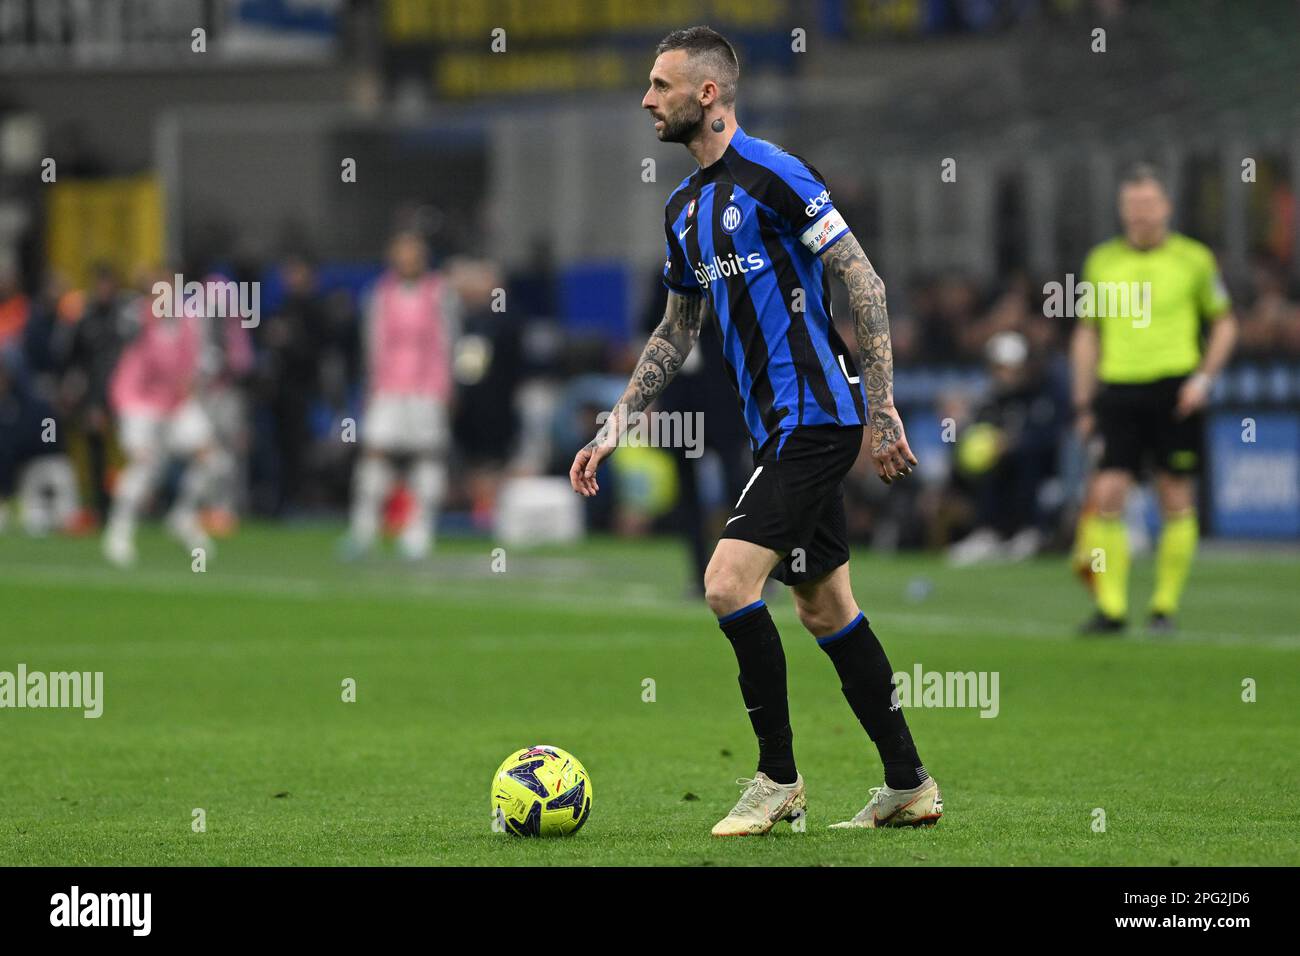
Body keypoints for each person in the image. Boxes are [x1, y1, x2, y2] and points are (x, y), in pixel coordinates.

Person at [569, 26, 941, 835]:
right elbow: (676, 330)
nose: (646, 99)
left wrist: (882, 408)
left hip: (820, 415)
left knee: (726, 583)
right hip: (777, 429)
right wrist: (616, 425)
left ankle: (778, 781)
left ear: (708, 95)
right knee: (824, 606)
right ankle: (908, 782)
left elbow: (864, 284)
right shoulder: (683, 210)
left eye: (661, 85)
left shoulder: (777, 174)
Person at [1070, 164, 1238, 634]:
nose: (1140, 214)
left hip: (1175, 389)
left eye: (1148, 204)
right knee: (1107, 494)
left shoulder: (1195, 260)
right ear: (1122, 211)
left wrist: (1204, 380)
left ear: (1166, 207)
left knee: (1175, 494)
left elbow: (1224, 322)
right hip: (1119, 390)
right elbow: (1086, 334)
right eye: (1132, 206)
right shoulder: (1102, 261)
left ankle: (1163, 606)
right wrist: (1083, 402)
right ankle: (1112, 608)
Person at [343, 231, 454, 560]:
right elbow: (373, 344)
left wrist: (445, 389)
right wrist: (372, 387)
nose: (407, 260)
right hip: (389, 388)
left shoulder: (439, 293)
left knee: (427, 458)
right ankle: (363, 528)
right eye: (401, 254)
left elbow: (447, 341)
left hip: (426, 390)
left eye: (413, 254)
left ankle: (419, 532)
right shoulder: (381, 293)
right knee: (374, 455)